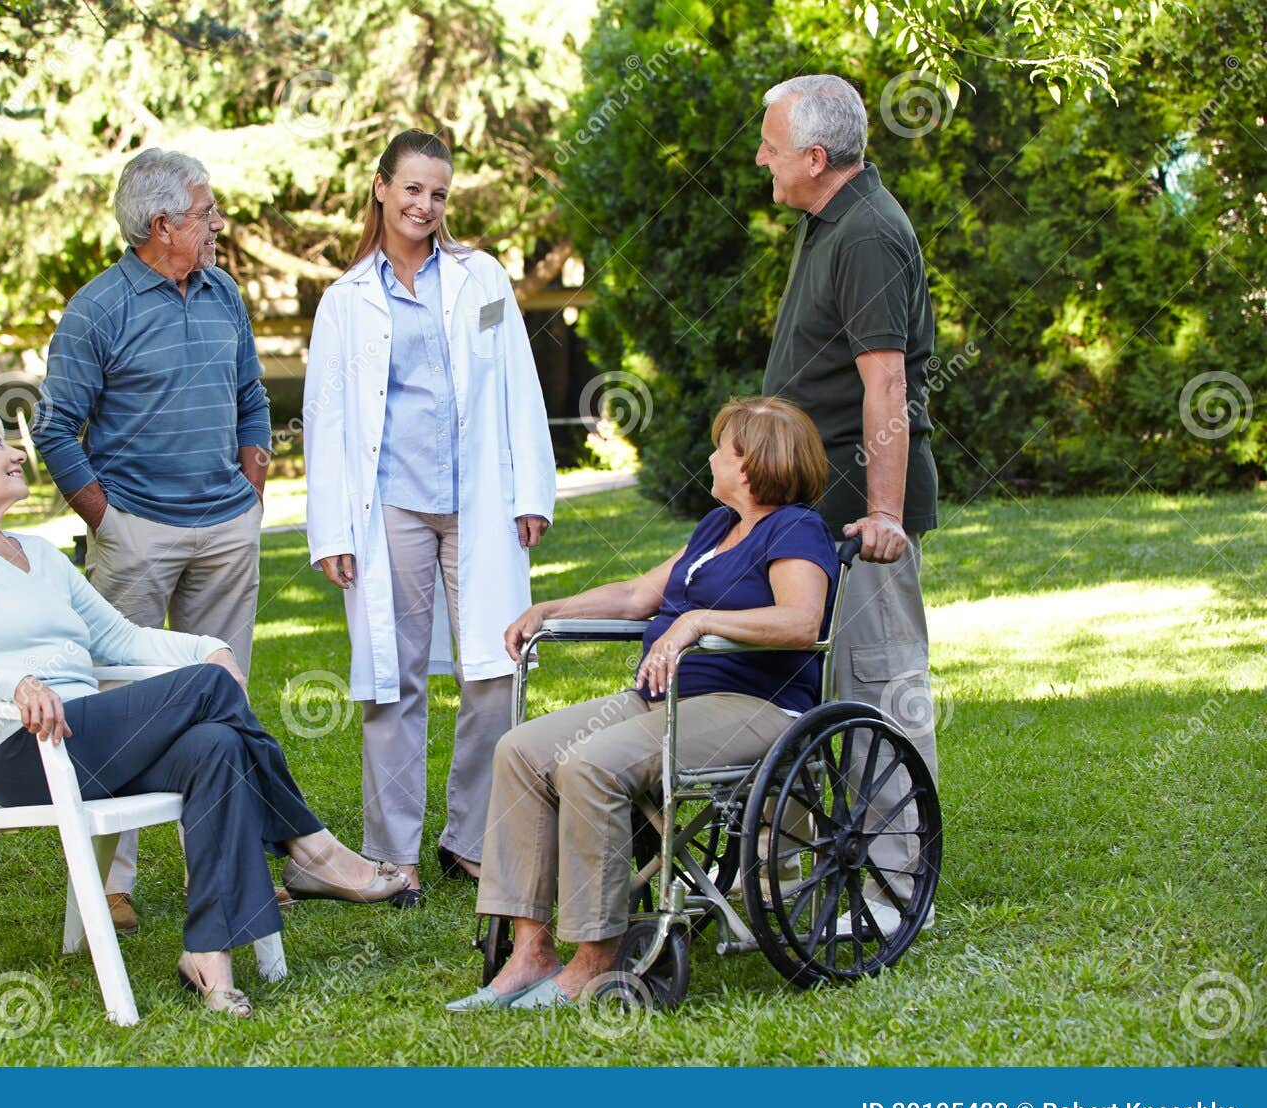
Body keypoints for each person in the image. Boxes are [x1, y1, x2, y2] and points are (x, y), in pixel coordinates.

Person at [0, 405, 407, 1018]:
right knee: (210, 692)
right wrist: (14, 684)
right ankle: (315, 852)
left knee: (216, 749)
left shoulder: (37, 553)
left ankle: (209, 961)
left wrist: (207, 648)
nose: (16, 452)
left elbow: (121, 639)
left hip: (87, 738)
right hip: (21, 753)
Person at [447, 398, 840, 1010]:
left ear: (754, 463)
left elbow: (799, 620)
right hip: (668, 700)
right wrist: (551, 609)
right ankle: (531, 953)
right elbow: (637, 596)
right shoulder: (716, 528)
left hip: (754, 705)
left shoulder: (795, 529)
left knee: (591, 764)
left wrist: (695, 625)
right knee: (521, 750)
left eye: (722, 447)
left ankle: (596, 961)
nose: (711, 456)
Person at [302, 129, 557, 907]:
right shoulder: (346, 301)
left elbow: (518, 379)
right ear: (381, 188)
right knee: (392, 677)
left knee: (495, 666)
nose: (425, 205)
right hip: (390, 509)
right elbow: (326, 419)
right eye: (412, 189)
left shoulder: (480, 279)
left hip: (477, 501)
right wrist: (332, 531)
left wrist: (529, 493)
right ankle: (393, 852)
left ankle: (471, 836)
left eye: (439, 193)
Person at [33, 148, 272, 930]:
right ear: (162, 224)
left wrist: (250, 487)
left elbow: (250, 396)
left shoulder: (224, 292)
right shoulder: (96, 309)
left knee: (225, 696)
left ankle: (231, 864)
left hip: (225, 529)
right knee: (124, 704)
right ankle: (109, 882)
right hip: (136, 533)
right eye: (207, 214)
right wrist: (109, 521)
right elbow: (56, 429)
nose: (217, 226)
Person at [755, 74, 939, 927]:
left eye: (772, 146)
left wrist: (888, 518)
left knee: (880, 691)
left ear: (816, 158)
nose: (762, 159)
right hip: (810, 513)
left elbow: (887, 385)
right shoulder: (827, 219)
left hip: (862, 519)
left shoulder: (868, 232)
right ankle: (805, 879)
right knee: (810, 695)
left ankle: (899, 892)